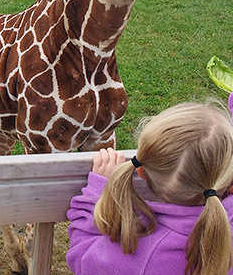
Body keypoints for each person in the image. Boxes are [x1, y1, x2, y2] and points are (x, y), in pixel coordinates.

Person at [67, 96, 233, 275]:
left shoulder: (137, 253)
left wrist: (96, 194)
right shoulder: (226, 225)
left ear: (141, 171)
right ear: (224, 177)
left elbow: (82, 258)